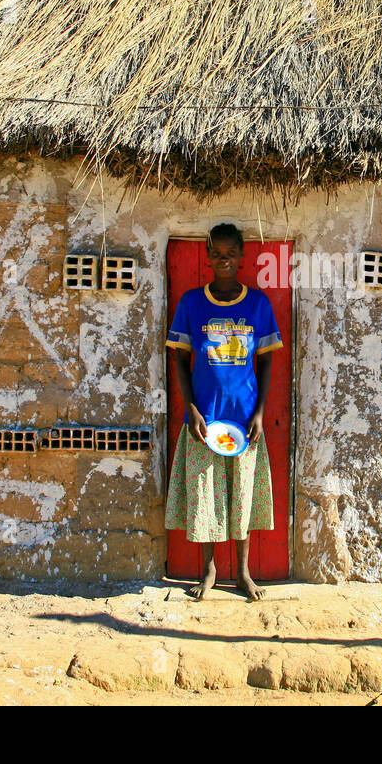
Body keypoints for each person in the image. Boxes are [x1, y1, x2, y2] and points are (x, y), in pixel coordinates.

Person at [165, 222, 282, 600]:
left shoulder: (258, 305)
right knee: (206, 497)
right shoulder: (191, 303)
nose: (223, 259)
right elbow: (180, 360)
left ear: (242, 256)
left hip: (244, 423)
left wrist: (260, 412)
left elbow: (265, 364)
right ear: (208, 256)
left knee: (242, 496)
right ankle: (210, 570)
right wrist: (192, 408)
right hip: (204, 421)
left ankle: (244, 573)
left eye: (231, 252)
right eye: (216, 253)